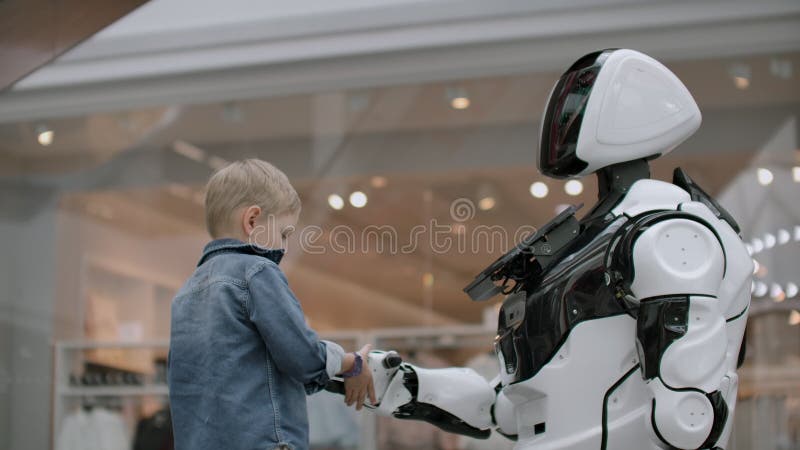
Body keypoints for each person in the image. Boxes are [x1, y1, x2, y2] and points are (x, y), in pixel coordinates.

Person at [168, 159, 375, 450]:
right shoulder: (257, 272)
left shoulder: (185, 294)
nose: (285, 246)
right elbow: (302, 356)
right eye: (284, 233)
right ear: (252, 221)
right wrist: (352, 363)